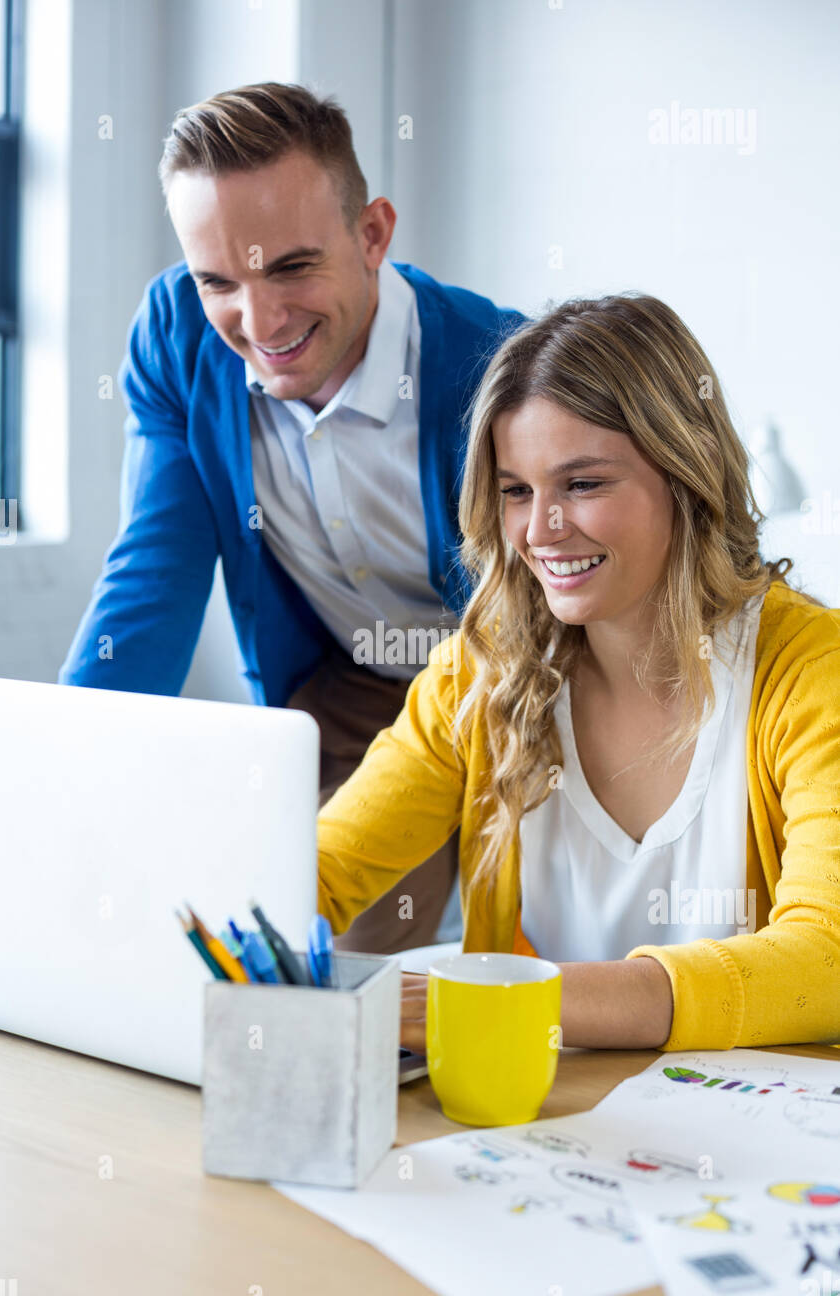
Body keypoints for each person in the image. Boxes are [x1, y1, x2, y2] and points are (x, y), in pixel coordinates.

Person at [58, 83, 523, 954]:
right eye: (218, 280)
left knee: (537, 962)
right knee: (305, 959)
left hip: (525, 684)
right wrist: (72, 772)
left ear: (373, 233)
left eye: (292, 267)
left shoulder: (499, 364)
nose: (260, 321)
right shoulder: (176, 335)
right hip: (350, 693)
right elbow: (152, 575)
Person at [316, 292, 840, 1052]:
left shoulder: (809, 669)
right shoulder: (479, 676)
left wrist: (498, 1002)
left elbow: (826, 959)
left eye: (584, 484)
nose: (542, 530)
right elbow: (329, 867)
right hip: (545, 1128)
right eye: (516, 492)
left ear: (686, 476)